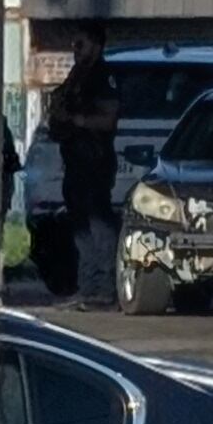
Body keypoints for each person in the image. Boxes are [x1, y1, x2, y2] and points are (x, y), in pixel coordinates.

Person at [46, 24, 120, 308]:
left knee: (98, 221)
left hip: (95, 159)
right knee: (80, 224)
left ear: (97, 46)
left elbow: (109, 118)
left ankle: (104, 286)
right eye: (74, 45)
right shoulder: (77, 76)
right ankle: (88, 286)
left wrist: (76, 120)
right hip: (75, 160)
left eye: (81, 45)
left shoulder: (103, 76)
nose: (75, 51)